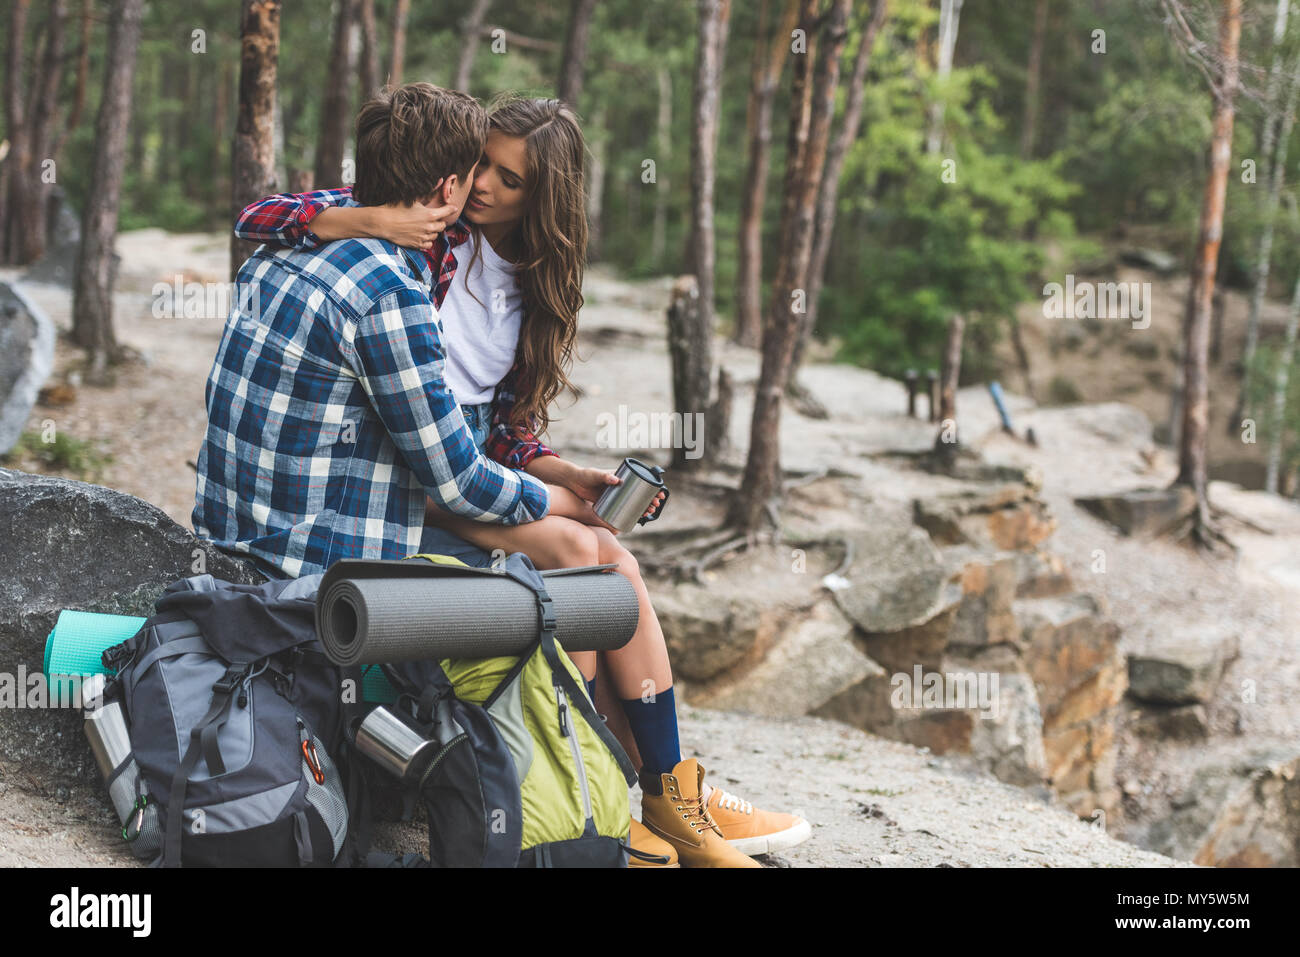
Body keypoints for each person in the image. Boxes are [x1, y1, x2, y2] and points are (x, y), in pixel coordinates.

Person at [231, 90, 811, 867]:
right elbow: (259, 217)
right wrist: (371, 220)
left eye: (507, 179)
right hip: (412, 480)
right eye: (481, 165)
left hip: (463, 465)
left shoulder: (531, 282)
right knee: (581, 551)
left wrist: (562, 468)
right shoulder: (423, 232)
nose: (481, 186)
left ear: (543, 197)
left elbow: (501, 429)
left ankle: (662, 796)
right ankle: (614, 792)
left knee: (614, 559)